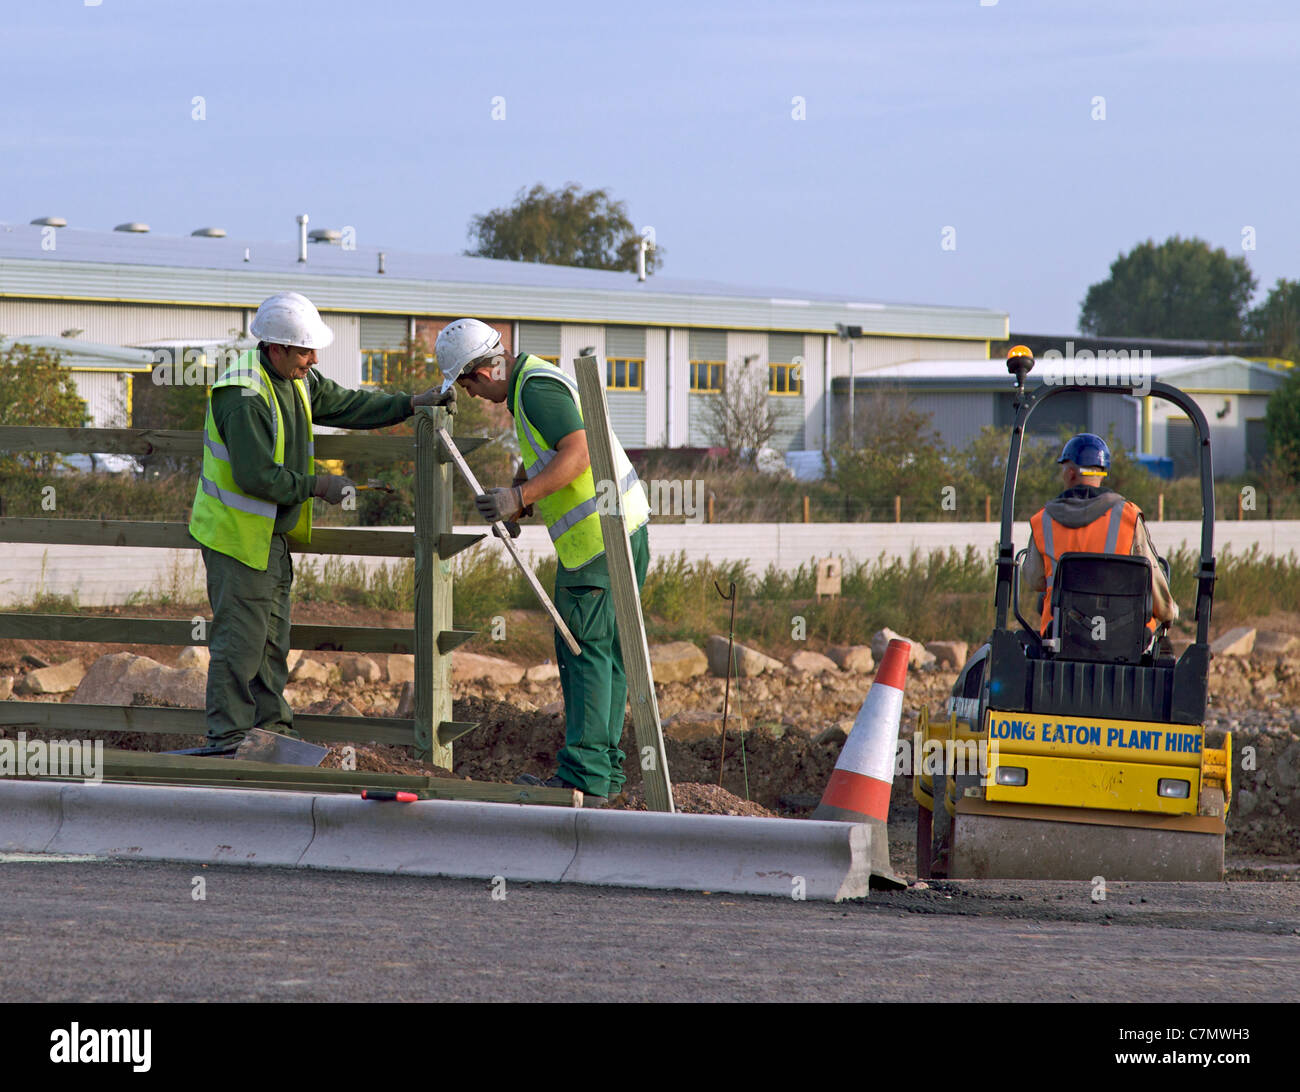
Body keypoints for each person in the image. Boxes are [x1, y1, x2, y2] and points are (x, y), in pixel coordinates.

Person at [189, 291, 452, 752]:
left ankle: (272, 734)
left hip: (267, 536)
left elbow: (348, 405)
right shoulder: (242, 394)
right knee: (240, 645)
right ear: (275, 347)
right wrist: (317, 486)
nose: (313, 360)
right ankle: (228, 740)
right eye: (305, 350)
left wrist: (410, 403)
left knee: (271, 644)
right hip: (236, 537)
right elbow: (254, 477)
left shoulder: (294, 378)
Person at [436, 318, 650, 807]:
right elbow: (549, 452)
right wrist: (522, 496)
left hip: (598, 542)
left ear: (483, 372)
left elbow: (580, 452)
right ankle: (605, 775)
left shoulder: (534, 392)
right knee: (610, 654)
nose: (468, 395)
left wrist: (518, 497)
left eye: (465, 384)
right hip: (621, 531)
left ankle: (584, 779)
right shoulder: (535, 382)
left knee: (585, 654)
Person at [1021, 432, 1177, 635]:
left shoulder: (1043, 520)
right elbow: (1151, 574)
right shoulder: (1128, 516)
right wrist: (1167, 612)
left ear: (1069, 472)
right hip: (1124, 637)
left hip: (1061, 637)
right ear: (1101, 471)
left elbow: (1034, 580)